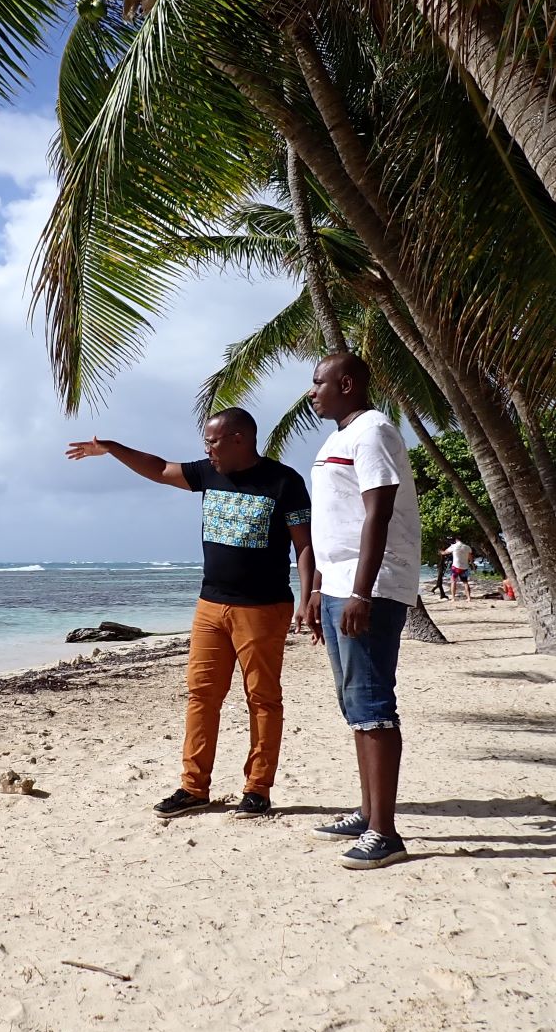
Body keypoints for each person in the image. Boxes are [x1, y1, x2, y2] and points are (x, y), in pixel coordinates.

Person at [67, 409, 313, 819]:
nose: (207, 449)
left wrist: (309, 595)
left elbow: (304, 545)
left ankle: (257, 789)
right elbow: (159, 468)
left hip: (264, 608)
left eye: (213, 441)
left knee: (263, 698)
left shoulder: (284, 481)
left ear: (238, 439)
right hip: (210, 606)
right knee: (202, 696)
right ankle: (194, 788)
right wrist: (111, 448)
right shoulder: (208, 473)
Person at [300, 353, 420, 869]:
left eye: (318, 382)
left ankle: (385, 834)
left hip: (369, 588)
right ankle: (369, 813)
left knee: (373, 705)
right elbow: (335, 524)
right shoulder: (341, 437)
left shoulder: (373, 431)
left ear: (346, 384)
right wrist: (317, 588)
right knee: (356, 706)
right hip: (338, 587)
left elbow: (378, 513)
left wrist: (361, 593)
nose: (312, 392)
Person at [440, 536, 474, 602]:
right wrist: (472, 565)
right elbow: (470, 558)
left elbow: (444, 552)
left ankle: (453, 598)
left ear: (456, 540)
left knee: (453, 582)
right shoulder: (467, 547)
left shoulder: (454, 546)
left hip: (455, 567)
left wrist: (440, 551)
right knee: (465, 582)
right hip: (464, 567)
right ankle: (469, 598)